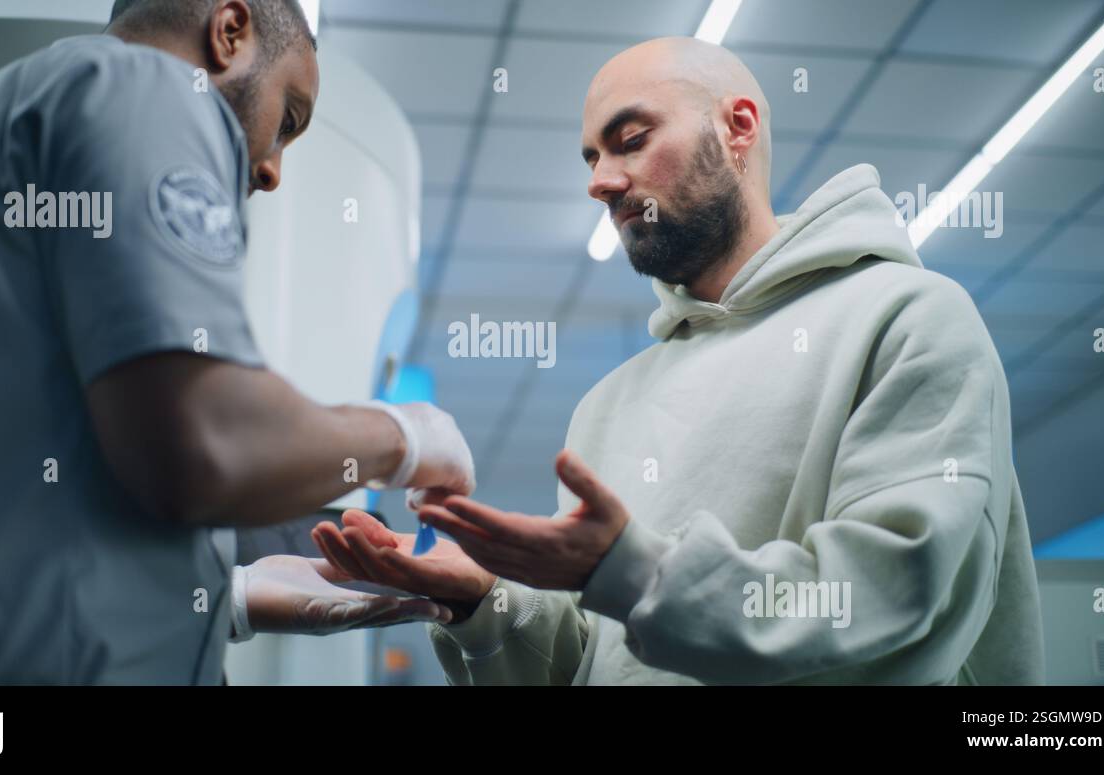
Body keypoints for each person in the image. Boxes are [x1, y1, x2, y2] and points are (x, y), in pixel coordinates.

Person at [312, 37, 1046, 685]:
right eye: (592, 158)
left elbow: (893, 604)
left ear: (737, 129)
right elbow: (592, 662)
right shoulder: (608, 403)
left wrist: (630, 572)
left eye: (629, 140)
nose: (600, 179)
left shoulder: (906, 316)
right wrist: (484, 597)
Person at [0, 0, 475, 684]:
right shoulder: (149, 88)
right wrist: (406, 437)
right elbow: (206, 443)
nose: (272, 170)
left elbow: (9, 487)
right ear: (230, 31)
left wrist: (224, 598)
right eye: (287, 118)